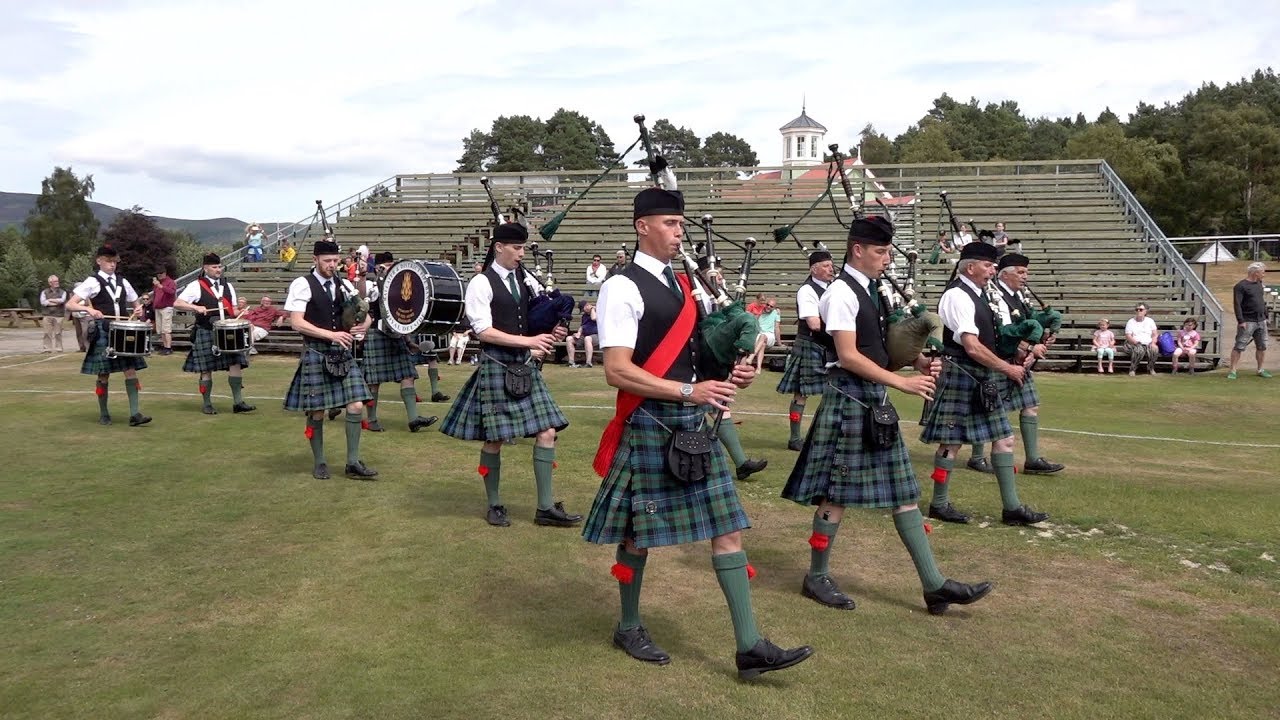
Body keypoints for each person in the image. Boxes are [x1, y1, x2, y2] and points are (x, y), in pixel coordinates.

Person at [583, 186, 814, 679]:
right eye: (670, 224)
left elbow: (697, 358)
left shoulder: (684, 284)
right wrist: (690, 393)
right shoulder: (620, 287)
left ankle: (750, 645)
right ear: (642, 225)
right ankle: (628, 625)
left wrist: (732, 372)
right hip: (650, 422)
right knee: (637, 535)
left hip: (689, 424)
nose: (678, 232)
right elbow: (618, 371)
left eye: (681, 224)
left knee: (727, 529)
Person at [783, 215, 992, 615]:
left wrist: (914, 360)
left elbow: (876, 345)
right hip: (850, 400)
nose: (886, 258)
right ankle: (817, 576)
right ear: (857, 250)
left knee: (905, 494)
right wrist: (903, 385)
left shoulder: (871, 290)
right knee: (836, 495)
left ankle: (934, 585)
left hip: (873, 399)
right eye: (880, 251)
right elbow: (847, 355)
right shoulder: (841, 293)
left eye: (888, 250)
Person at [439, 222, 580, 528]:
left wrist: (547, 329)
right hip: (497, 363)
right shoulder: (481, 282)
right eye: (517, 248)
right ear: (499, 247)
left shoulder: (523, 279)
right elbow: (483, 330)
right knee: (495, 439)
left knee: (547, 432)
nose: (521, 254)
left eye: (523, 248)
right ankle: (494, 504)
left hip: (524, 364)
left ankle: (544, 508)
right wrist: (528, 342)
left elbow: (529, 318)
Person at [920, 242, 1049, 526]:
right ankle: (939, 504)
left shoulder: (982, 294)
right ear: (970, 267)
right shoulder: (957, 295)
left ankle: (1012, 508)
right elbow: (972, 346)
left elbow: (992, 338)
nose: (993, 271)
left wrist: (1019, 352)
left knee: (1004, 439)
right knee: (951, 443)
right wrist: (1007, 369)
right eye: (989, 266)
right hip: (962, 372)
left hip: (981, 376)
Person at [954, 254, 1063, 506]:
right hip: (999, 357)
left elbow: (1028, 320)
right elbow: (1001, 330)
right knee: (990, 407)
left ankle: (1032, 459)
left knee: (1028, 405)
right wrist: (1027, 346)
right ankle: (978, 455)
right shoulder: (994, 296)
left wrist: (1044, 329)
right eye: (1022, 273)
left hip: (1014, 358)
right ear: (1005, 273)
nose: (1026, 277)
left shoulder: (1018, 297)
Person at [282, 239, 378, 480]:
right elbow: (297, 322)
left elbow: (367, 314)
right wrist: (331, 334)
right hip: (317, 352)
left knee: (356, 405)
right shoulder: (302, 284)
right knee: (317, 412)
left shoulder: (344, 285)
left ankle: (353, 462)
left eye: (336, 261)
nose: (332, 265)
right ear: (315, 260)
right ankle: (320, 461)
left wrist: (363, 326)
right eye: (327, 261)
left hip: (342, 354)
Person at [65, 245, 151, 427]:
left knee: (130, 370)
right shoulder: (92, 281)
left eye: (115, 262)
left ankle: (135, 414)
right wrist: (88, 308)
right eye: (109, 261)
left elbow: (136, 303)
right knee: (103, 374)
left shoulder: (123, 281)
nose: (112, 265)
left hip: (122, 331)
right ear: (99, 261)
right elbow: (70, 305)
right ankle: (104, 414)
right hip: (103, 330)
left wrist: (138, 308)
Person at [359, 251, 440, 433]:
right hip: (377, 333)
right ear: (378, 266)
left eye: (391, 264)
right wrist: (364, 275)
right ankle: (371, 420)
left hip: (396, 336)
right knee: (374, 381)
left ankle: (413, 419)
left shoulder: (398, 284)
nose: (389, 268)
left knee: (408, 375)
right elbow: (362, 295)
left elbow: (402, 318)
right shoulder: (373, 284)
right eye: (386, 265)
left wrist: (408, 339)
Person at [174, 253, 255, 415]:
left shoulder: (228, 286)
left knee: (236, 364)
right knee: (206, 369)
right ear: (205, 268)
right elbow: (177, 303)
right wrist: (195, 307)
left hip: (227, 332)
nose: (218, 270)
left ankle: (238, 402)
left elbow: (232, 310)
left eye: (220, 267)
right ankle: (207, 404)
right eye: (214, 267)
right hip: (206, 331)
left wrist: (242, 314)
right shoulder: (196, 285)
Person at [777, 251, 835, 451]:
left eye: (831, 265)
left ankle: (824, 436)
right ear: (814, 269)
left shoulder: (831, 288)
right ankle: (795, 439)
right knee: (802, 394)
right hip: (810, 345)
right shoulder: (807, 290)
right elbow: (814, 323)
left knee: (833, 392)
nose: (831, 269)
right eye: (826, 265)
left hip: (827, 345)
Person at [1227, 262, 1271, 379]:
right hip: (1247, 321)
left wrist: (1265, 316)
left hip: (1261, 320)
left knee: (1262, 346)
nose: (1263, 275)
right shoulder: (1241, 286)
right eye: (1262, 272)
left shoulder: (1259, 284)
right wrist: (1241, 321)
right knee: (1240, 345)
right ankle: (1233, 370)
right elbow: (1237, 304)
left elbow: (1261, 300)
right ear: (1255, 273)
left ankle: (1260, 369)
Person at [1124, 303, 1159, 376]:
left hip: (1148, 343)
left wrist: (1153, 343)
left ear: (1145, 311)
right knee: (1139, 350)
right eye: (1137, 309)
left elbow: (1155, 334)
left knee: (1154, 349)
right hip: (1133, 343)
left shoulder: (1150, 321)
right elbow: (1128, 336)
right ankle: (1132, 369)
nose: (1138, 311)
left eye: (1141, 309)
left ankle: (1151, 368)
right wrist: (1136, 342)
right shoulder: (1131, 321)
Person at [151, 265, 177, 355]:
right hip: (158, 308)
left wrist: (161, 286)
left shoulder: (170, 282)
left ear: (165, 273)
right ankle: (164, 346)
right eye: (158, 274)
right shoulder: (157, 284)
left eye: (161, 273)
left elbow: (172, 292)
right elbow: (155, 295)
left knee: (166, 329)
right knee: (161, 329)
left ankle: (168, 347)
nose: (159, 275)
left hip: (166, 307)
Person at [750, 295, 780, 373]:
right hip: (758, 336)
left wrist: (779, 343)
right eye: (767, 304)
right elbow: (753, 322)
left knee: (763, 337)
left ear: (774, 308)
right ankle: (759, 368)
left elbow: (777, 328)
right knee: (762, 344)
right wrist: (758, 314)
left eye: (771, 306)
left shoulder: (776, 313)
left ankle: (752, 355)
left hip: (770, 336)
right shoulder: (759, 311)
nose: (769, 307)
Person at [39, 275, 67, 352]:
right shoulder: (44, 292)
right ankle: (47, 348)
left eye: (57, 281)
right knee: (47, 332)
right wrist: (55, 301)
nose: (57, 283)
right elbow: (43, 302)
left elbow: (62, 300)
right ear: (50, 283)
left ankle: (59, 348)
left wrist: (50, 300)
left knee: (58, 333)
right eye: (55, 281)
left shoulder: (63, 292)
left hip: (59, 315)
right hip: (47, 315)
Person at [567, 301, 598, 367]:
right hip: (585, 336)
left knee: (587, 339)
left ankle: (588, 362)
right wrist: (578, 333)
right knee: (569, 339)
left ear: (587, 306)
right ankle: (571, 362)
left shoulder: (597, 312)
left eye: (583, 309)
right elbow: (582, 326)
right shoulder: (584, 316)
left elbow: (594, 318)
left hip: (596, 336)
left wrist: (592, 309)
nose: (583, 311)